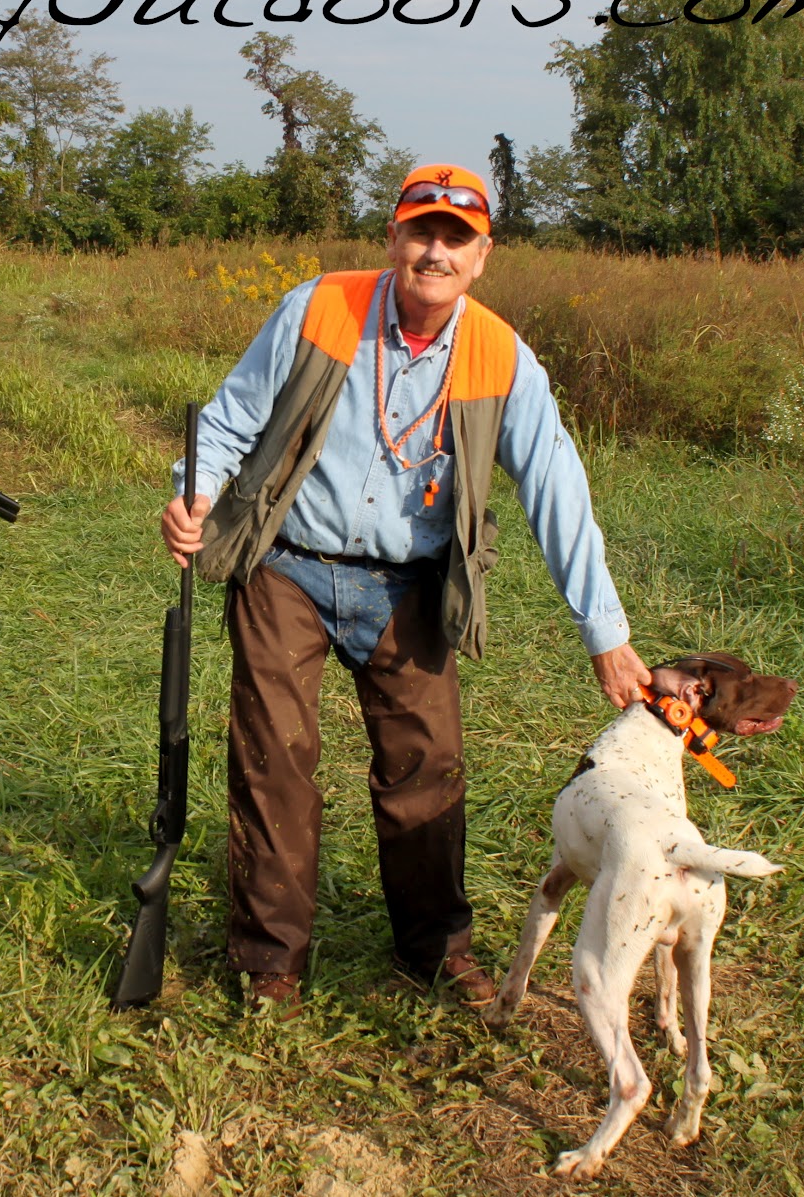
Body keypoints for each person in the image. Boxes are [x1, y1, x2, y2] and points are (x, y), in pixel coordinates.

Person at [160, 162, 650, 1017]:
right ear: (393, 237)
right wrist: (194, 491)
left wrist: (603, 629)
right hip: (288, 568)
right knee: (275, 759)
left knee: (428, 764)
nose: (435, 251)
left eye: (456, 239)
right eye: (421, 231)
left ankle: (433, 947)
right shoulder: (320, 307)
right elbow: (232, 415)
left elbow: (556, 489)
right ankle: (271, 959)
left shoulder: (501, 356)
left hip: (413, 584)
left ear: (482, 256)